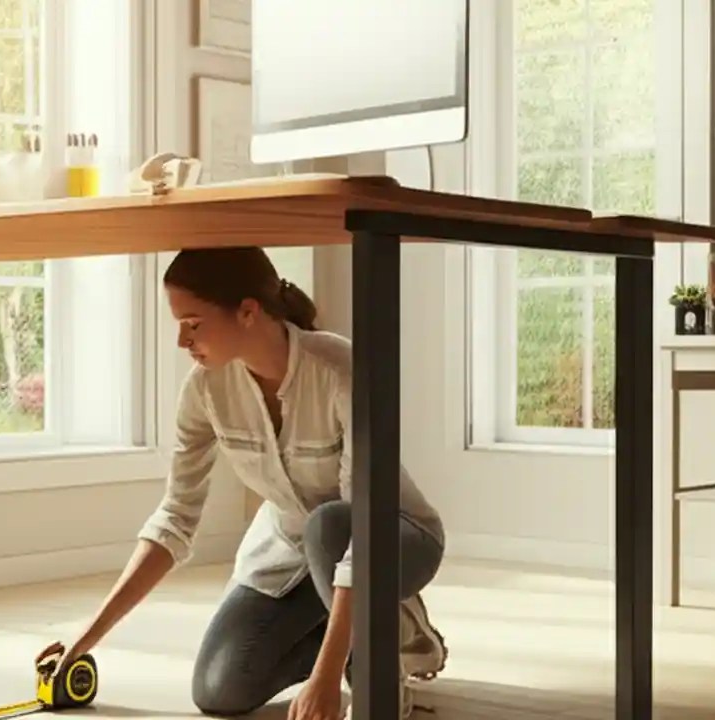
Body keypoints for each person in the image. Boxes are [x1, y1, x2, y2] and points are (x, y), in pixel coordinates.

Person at [36, 247, 448, 719]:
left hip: (390, 536)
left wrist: (328, 677)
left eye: (192, 323)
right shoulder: (204, 391)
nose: (181, 341)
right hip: (288, 549)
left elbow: (362, 523)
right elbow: (175, 518)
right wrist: (85, 636)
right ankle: (371, 633)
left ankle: (380, 649)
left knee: (329, 525)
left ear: (248, 311)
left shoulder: (340, 369)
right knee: (220, 690)